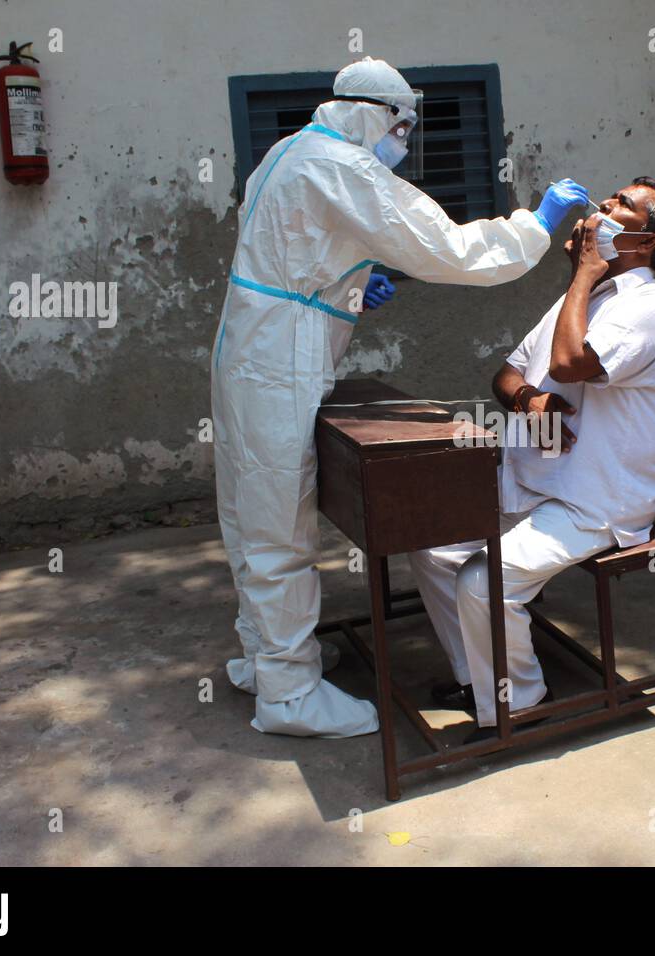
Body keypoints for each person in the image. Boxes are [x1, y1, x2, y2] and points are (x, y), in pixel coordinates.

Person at [211, 56, 590, 738]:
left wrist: (350, 286)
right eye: (403, 128)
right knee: (277, 525)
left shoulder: (287, 152)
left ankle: (265, 659)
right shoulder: (343, 167)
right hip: (277, 360)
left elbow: (297, 250)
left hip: (249, 345)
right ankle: (289, 696)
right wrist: (537, 224)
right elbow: (445, 248)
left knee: (248, 512)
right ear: (373, 114)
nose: (403, 145)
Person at [408, 178, 655, 741]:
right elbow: (507, 374)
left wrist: (584, 273)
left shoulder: (653, 306)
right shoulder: (583, 298)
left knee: (482, 582)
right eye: (609, 198)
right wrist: (526, 399)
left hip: (597, 498)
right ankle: (480, 679)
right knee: (433, 546)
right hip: (536, 479)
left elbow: (569, 364)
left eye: (623, 206)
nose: (603, 209)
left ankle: (523, 704)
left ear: (649, 241)